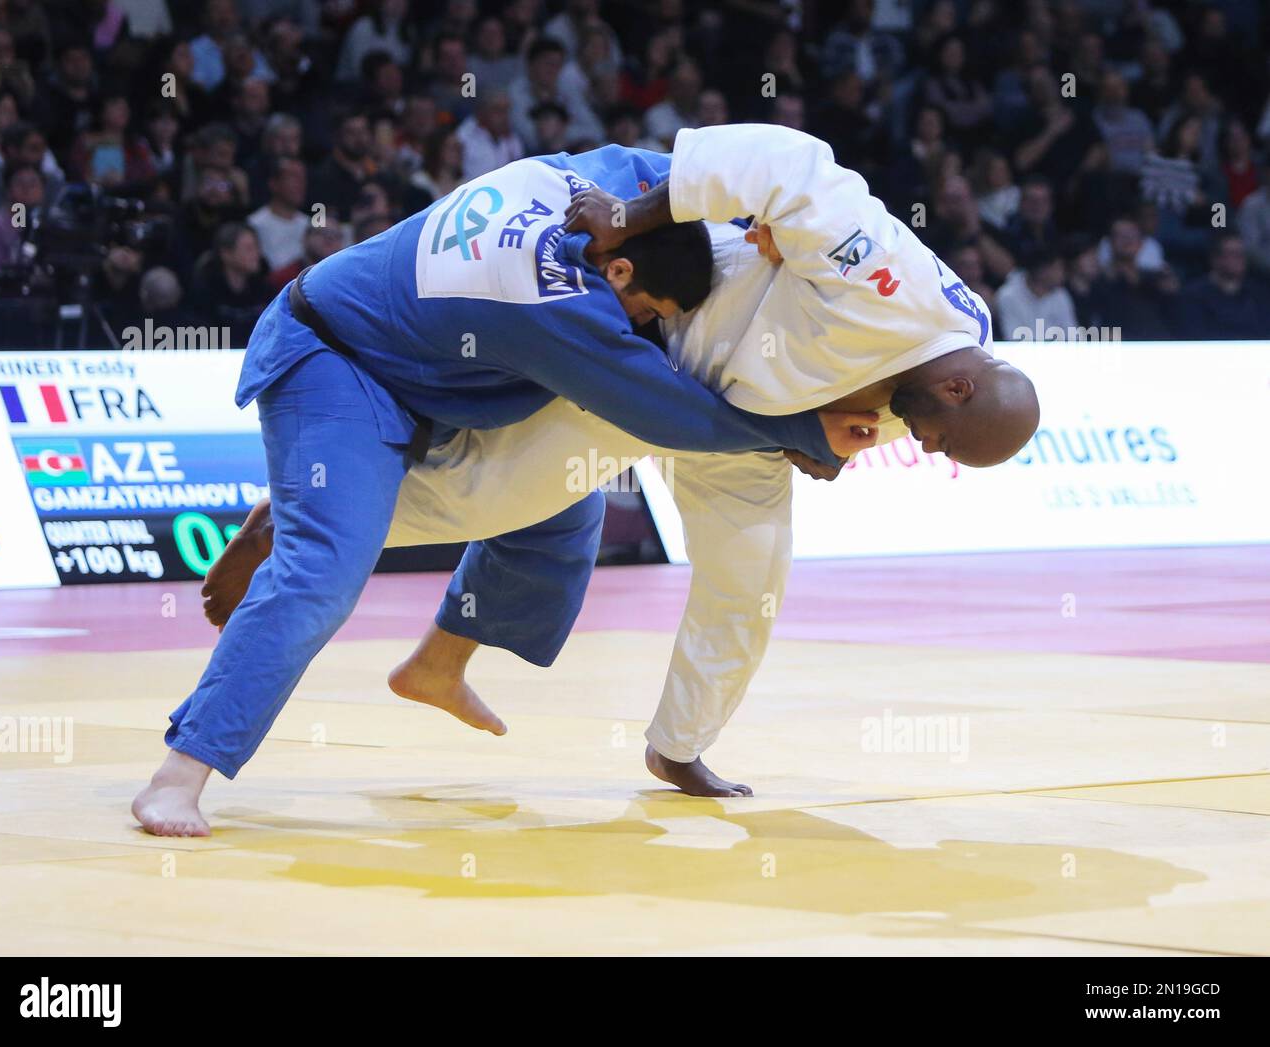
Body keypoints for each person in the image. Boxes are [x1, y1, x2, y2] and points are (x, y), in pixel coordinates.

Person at [199, 126, 1040, 806]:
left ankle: (678, 748)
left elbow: (838, 440)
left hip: (745, 424)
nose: (926, 450)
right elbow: (791, 164)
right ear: (959, 385)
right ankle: (306, 516)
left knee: (752, 581)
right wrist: (635, 217)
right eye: (939, 440)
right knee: (494, 498)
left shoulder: (949, 387)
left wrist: (821, 449)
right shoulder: (890, 284)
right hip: (664, 350)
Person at [131, 146, 860, 836]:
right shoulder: (555, 301)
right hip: (334, 361)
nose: (651, 328)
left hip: (431, 369)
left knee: (565, 497)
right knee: (323, 570)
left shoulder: (606, 185)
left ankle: (436, 662)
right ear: (619, 275)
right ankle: (179, 772)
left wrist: (761, 221)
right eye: (650, 312)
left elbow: (687, 173)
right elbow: (668, 414)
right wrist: (800, 432)